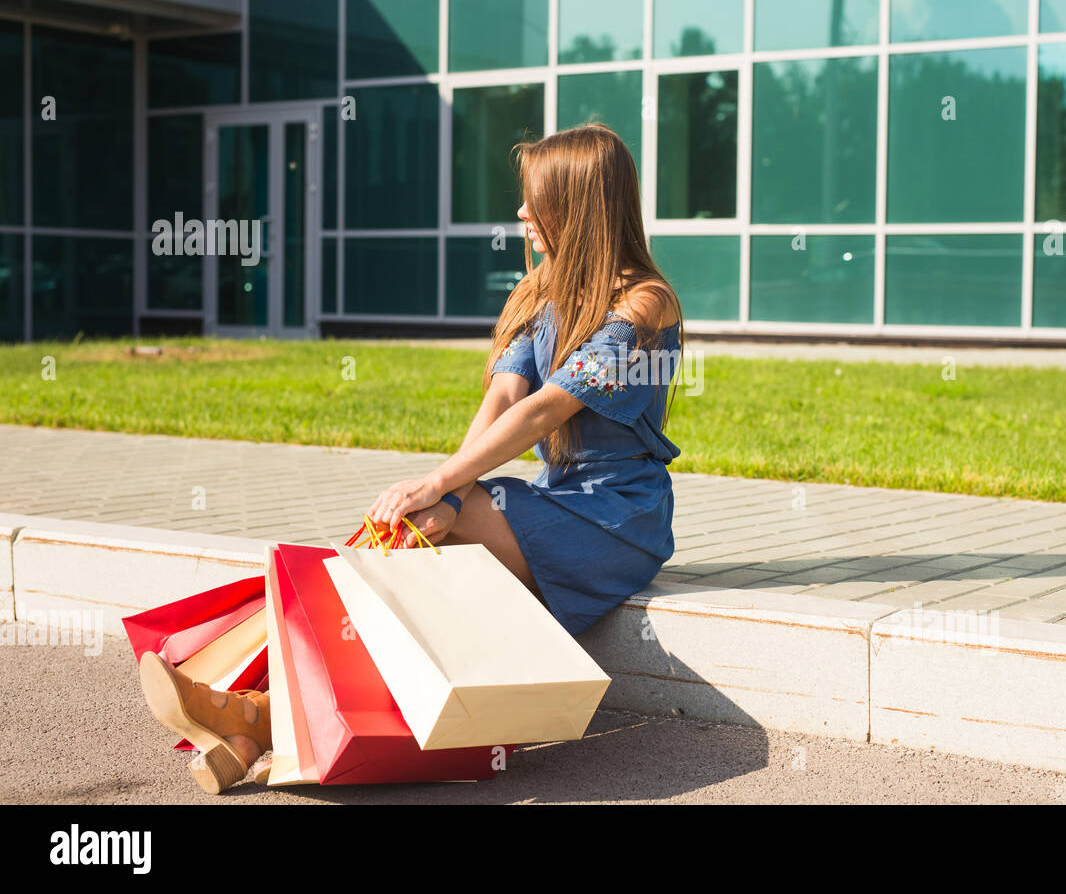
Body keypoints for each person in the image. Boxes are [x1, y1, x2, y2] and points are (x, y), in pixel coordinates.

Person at [139, 123, 686, 794]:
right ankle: (260, 718)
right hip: (561, 500)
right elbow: (504, 398)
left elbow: (545, 409)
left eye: (533, 199)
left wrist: (445, 484)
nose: (519, 214)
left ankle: (251, 702)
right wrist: (449, 490)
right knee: (420, 527)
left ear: (580, 205)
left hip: (620, 520)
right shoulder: (542, 293)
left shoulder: (645, 305)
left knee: (425, 528)